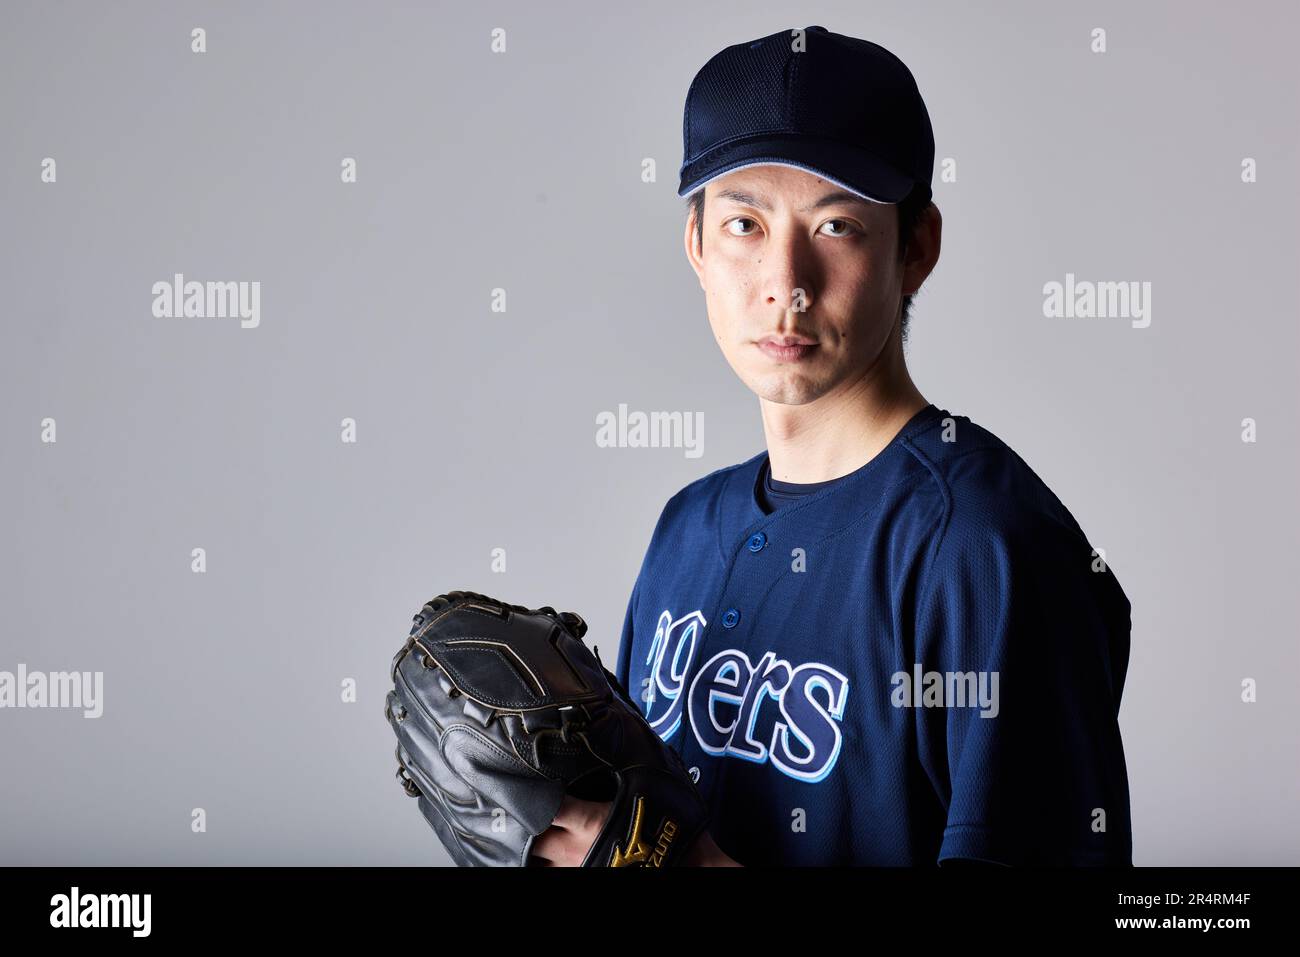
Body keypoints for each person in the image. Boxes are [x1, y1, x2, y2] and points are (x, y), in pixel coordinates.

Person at [529, 25, 1133, 867]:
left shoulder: (988, 550)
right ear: (697, 246)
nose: (787, 283)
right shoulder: (683, 532)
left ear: (916, 247)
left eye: (837, 225)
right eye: (744, 223)